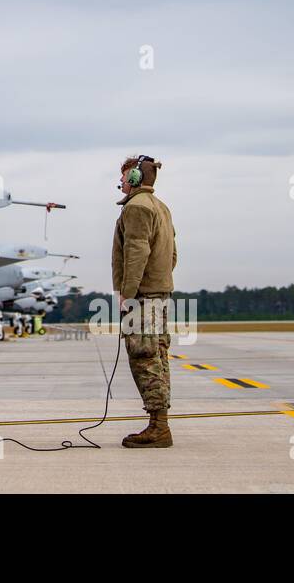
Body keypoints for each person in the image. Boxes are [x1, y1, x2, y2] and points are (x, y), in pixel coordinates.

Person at [111, 154, 177, 448]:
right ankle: (159, 423)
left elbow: (136, 253)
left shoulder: (137, 207)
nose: (121, 180)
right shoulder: (160, 207)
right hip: (158, 294)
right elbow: (172, 255)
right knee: (157, 356)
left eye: (125, 176)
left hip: (143, 297)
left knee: (144, 358)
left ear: (136, 179)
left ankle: (159, 428)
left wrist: (128, 292)